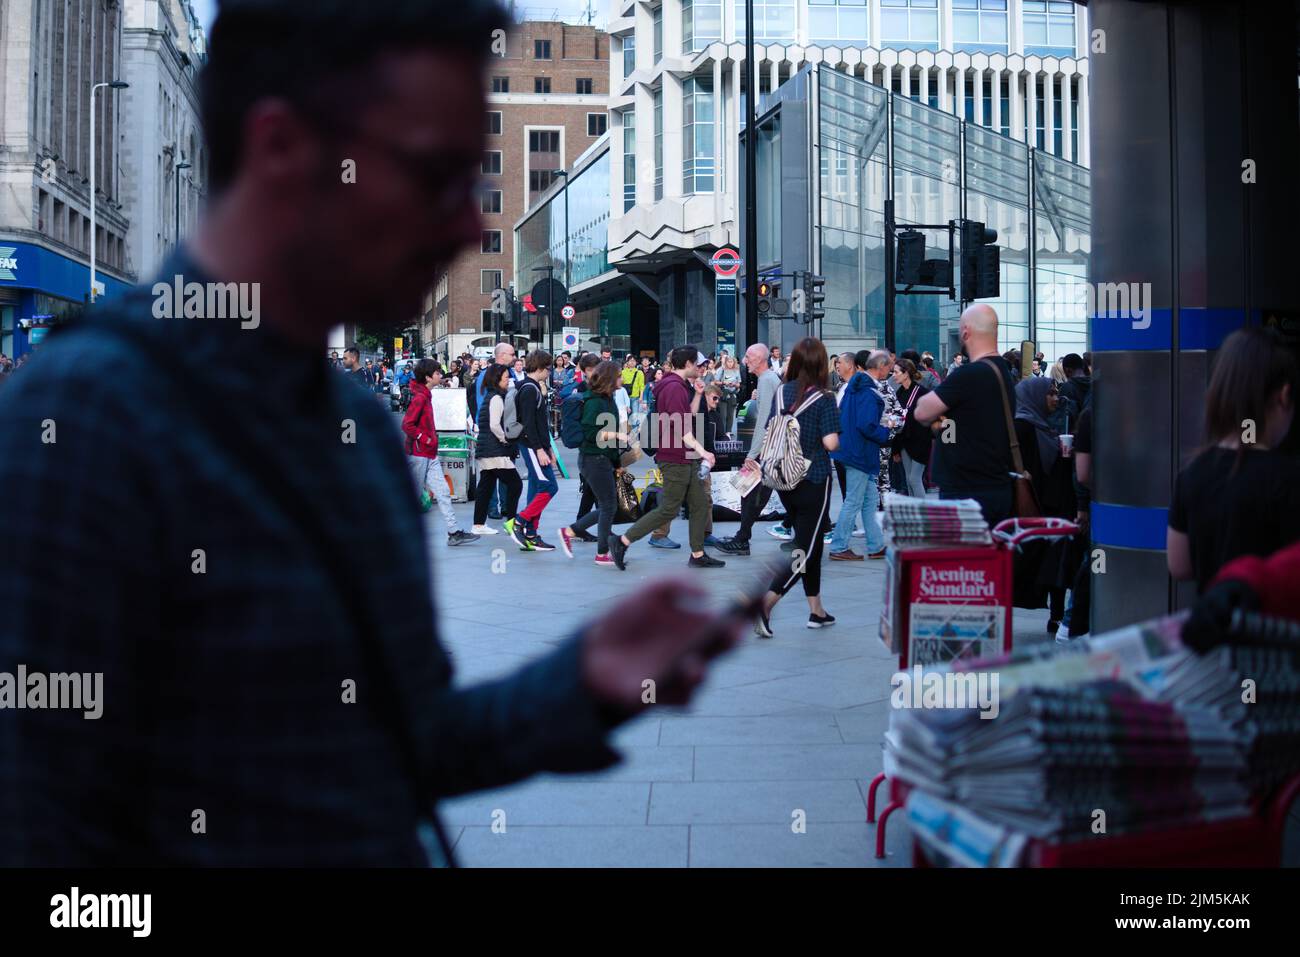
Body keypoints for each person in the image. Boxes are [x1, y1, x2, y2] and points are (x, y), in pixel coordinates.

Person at [0, 0, 750, 869]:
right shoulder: (86, 425)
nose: (471, 226)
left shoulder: (355, 426)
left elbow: (403, 738)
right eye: (436, 174)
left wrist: (578, 685)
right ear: (284, 150)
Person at [1167, 327, 1300, 593]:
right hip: (1274, 631)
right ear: (1284, 396)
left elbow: (1179, 566)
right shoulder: (1289, 477)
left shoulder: (1192, 474)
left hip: (1215, 628)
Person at [753, 337, 842, 638]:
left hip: (783, 480)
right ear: (820, 365)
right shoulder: (825, 398)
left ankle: (816, 610)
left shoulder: (781, 392)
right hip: (813, 479)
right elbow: (831, 442)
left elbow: (769, 429)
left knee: (811, 544)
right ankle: (767, 603)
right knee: (805, 547)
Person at [609, 346, 723, 570]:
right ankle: (622, 541)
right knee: (669, 508)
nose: (702, 368)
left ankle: (698, 554)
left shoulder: (679, 386)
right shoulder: (673, 388)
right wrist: (704, 452)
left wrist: (699, 394)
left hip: (683, 455)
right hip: (674, 456)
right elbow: (681, 426)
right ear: (688, 363)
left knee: (699, 504)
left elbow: (686, 416)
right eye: (698, 364)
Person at [915, 304, 1019, 528]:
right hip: (995, 485)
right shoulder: (1002, 371)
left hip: (967, 491)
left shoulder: (970, 374)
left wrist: (938, 418)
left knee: (966, 562)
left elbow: (922, 411)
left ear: (965, 332)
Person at [1012, 376, 1079, 634]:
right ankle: (1056, 614)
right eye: (1049, 394)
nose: (1055, 398)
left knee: (1057, 558)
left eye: (1055, 393)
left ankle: (1057, 614)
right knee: (1048, 558)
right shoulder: (1023, 426)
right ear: (1035, 396)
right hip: (1035, 505)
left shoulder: (1043, 426)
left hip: (1051, 503)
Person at [560, 361, 632, 566]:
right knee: (608, 506)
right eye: (619, 376)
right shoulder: (594, 402)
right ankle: (598, 551)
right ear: (610, 378)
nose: (623, 379)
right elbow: (591, 434)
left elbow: (607, 439)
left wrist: (617, 463)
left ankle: (574, 533)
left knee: (607, 506)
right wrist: (617, 434)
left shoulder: (607, 399)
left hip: (602, 459)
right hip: (593, 459)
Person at [715, 343, 783, 556]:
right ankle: (742, 536)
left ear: (761, 359)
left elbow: (764, 420)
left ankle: (742, 538)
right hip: (770, 447)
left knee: (752, 493)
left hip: (765, 450)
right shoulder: (767, 379)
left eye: (748, 357)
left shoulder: (767, 380)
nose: (745, 361)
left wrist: (752, 455)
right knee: (752, 493)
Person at [403, 359, 479, 547]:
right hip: (420, 454)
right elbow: (407, 424)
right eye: (437, 373)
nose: (440, 375)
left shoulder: (425, 394)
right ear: (428, 377)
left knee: (443, 492)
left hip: (428, 453)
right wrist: (426, 438)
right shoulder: (421, 398)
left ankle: (454, 532)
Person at [828, 351, 891, 562]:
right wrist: (886, 432)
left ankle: (876, 545)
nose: (890, 371)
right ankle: (839, 546)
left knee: (868, 500)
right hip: (860, 453)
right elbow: (867, 426)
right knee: (855, 501)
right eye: (888, 367)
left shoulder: (853, 388)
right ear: (880, 367)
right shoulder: (867, 392)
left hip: (851, 450)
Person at [511, 350, 559, 552]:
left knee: (537, 487)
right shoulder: (530, 389)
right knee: (549, 487)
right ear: (540, 368)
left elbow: (539, 424)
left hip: (535, 445)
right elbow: (530, 424)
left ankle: (530, 532)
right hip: (531, 445)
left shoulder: (530, 387)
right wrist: (541, 449)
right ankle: (520, 522)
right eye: (548, 368)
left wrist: (548, 449)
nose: (549, 372)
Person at [890, 357, 932, 498]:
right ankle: (916, 514)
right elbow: (895, 421)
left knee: (914, 479)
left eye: (896, 372)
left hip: (920, 441)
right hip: (904, 442)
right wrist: (895, 449)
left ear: (906, 373)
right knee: (909, 479)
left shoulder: (922, 393)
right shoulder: (898, 394)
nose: (893, 375)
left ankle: (923, 514)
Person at [717, 353, 742, 433]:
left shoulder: (736, 371)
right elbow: (716, 381)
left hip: (732, 393)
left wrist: (735, 384)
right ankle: (722, 432)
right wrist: (724, 382)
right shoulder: (722, 369)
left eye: (731, 361)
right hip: (723, 393)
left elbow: (739, 384)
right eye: (728, 361)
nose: (730, 363)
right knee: (723, 415)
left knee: (730, 415)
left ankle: (728, 432)